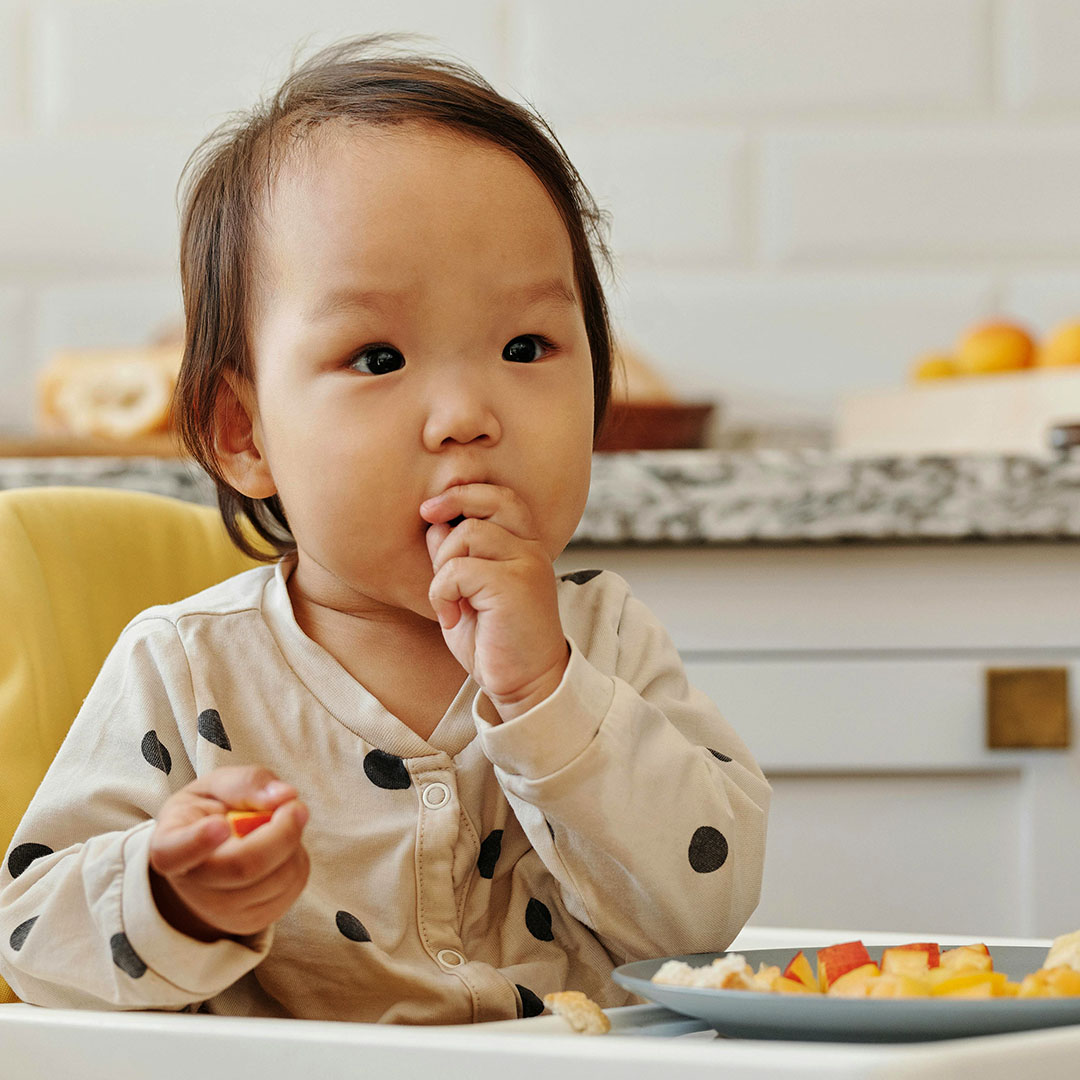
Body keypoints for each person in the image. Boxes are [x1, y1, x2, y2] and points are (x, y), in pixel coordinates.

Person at [0, 35, 770, 1023]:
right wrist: (169, 895)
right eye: (376, 357)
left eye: (526, 346)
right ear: (244, 434)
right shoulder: (188, 671)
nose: (466, 415)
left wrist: (546, 697)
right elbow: (33, 940)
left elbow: (705, 921)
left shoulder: (606, 646)